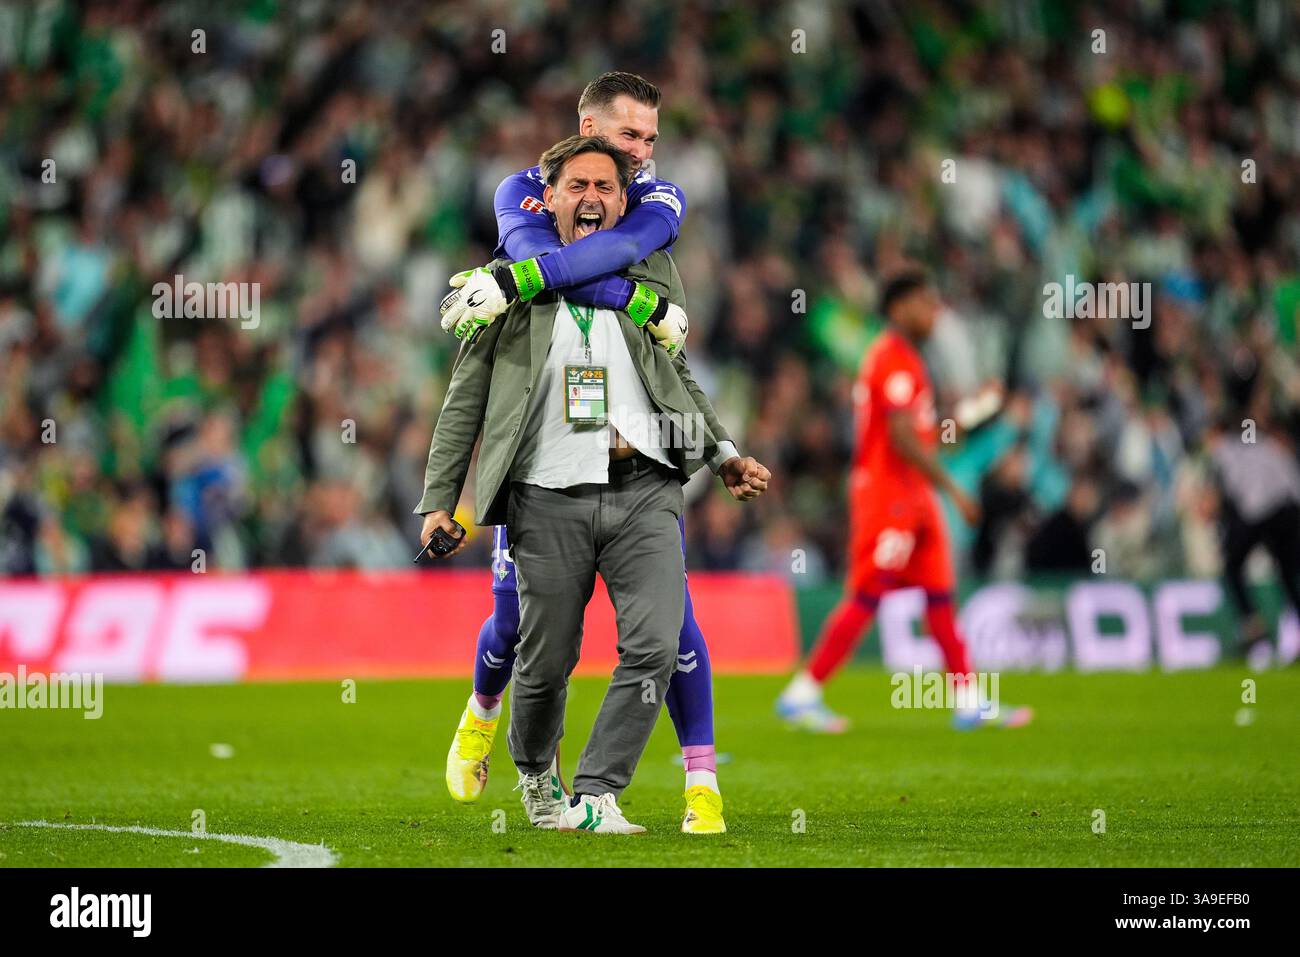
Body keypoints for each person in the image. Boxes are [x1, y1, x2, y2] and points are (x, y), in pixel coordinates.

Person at [415, 135, 770, 834]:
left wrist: (723, 450)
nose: (591, 198)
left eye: (606, 187)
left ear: (623, 200)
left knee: (656, 643)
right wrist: (438, 501)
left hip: (645, 485)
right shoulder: (509, 280)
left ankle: (598, 792)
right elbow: (466, 395)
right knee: (544, 661)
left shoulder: (651, 272)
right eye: (577, 185)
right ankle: (537, 772)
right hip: (546, 491)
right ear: (547, 198)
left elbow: (676, 372)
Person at [776, 269, 1032, 732]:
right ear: (899, 309)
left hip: (915, 498)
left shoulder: (908, 361)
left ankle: (969, 698)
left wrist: (977, 410)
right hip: (888, 497)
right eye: (925, 303)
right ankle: (803, 692)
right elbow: (901, 440)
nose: (934, 312)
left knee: (939, 598)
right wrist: (954, 491)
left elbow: (927, 436)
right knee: (868, 594)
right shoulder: (892, 358)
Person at [1207, 417, 1300, 659]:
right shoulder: (1268, 445)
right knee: (1288, 573)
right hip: (1288, 511)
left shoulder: (1225, 450)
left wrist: (1227, 533)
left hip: (1258, 513)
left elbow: (1232, 496)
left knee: (1232, 567)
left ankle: (1252, 627)